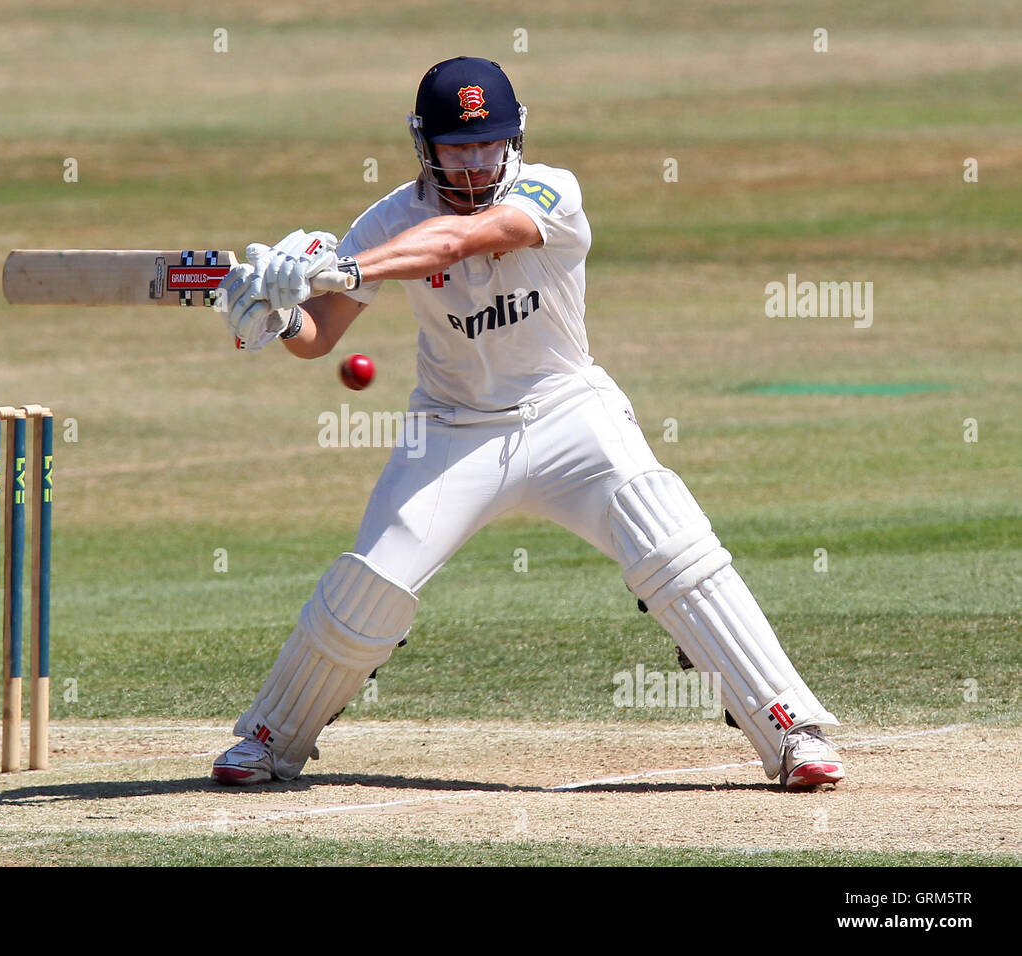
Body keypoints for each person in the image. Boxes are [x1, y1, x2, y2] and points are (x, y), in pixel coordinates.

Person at [211, 56, 845, 791]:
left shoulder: (551, 191)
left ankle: (790, 727)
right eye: (458, 147)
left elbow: (459, 242)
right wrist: (280, 312)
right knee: (370, 583)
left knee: (674, 544)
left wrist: (346, 269)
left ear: (515, 138)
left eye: (490, 144)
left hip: (570, 415)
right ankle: (270, 737)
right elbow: (319, 337)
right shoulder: (388, 218)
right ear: (426, 145)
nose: (477, 163)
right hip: (451, 432)